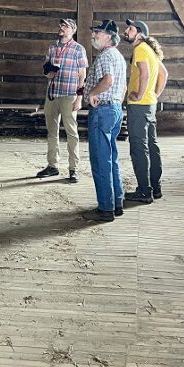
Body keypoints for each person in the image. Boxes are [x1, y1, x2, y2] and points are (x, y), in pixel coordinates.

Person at [81, 19, 128, 222]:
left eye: (98, 32)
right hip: (115, 108)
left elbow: (108, 80)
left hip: (103, 110)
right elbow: (122, 87)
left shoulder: (106, 56)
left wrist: (92, 93)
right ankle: (117, 203)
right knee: (111, 159)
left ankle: (105, 209)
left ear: (109, 36)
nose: (94, 35)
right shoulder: (118, 56)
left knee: (100, 160)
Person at [36, 18, 88, 183]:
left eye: (65, 26)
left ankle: (73, 169)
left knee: (72, 133)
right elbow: (46, 69)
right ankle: (53, 166)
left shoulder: (78, 49)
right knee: (52, 132)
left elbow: (82, 76)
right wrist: (48, 72)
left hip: (69, 95)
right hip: (52, 94)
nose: (61, 28)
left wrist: (79, 98)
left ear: (72, 30)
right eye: (60, 25)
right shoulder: (52, 47)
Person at [122, 19, 168, 204]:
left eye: (130, 29)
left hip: (139, 106)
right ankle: (155, 188)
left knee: (139, 148)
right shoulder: (151, 51)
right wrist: (153, 95)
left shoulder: (140, 49)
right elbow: (164, 74)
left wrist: (140, 94)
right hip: (149, 105)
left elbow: (145, 74)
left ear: (139, 34)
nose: (126, 31)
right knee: (152, 146)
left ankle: (144, 191)